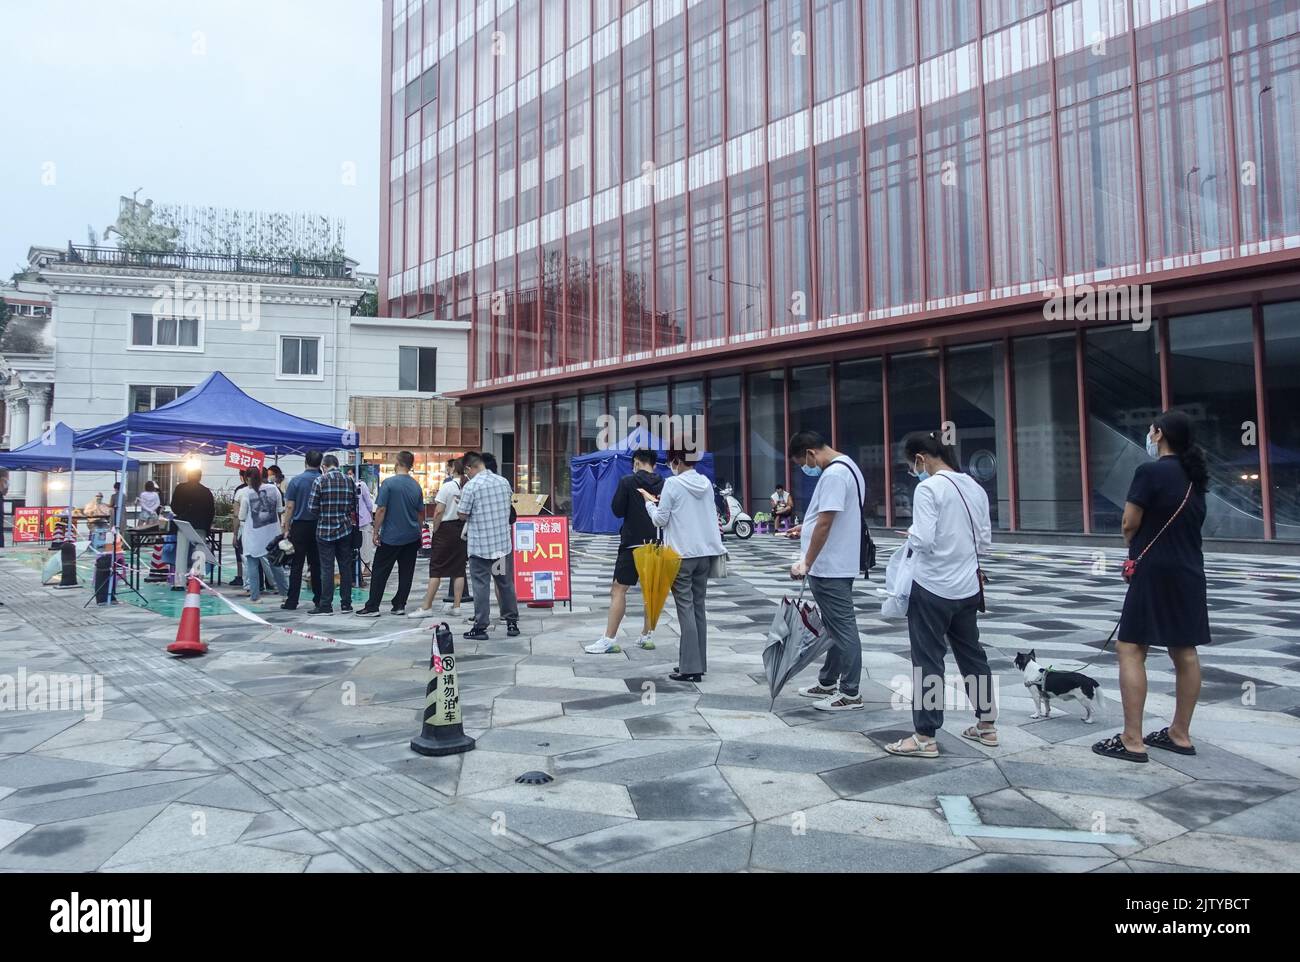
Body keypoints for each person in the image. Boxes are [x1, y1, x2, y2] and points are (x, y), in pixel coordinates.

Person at [1093, 410, 1211, 764]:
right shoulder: (1196, 477)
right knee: (1184, 651)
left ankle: (1132, 739)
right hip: (1190, 570)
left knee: (1130, 647)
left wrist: (1132, 548)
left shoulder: (1150, 472)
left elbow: (1130, 521)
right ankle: (1180, 733)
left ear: (1158, 434)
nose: (1148, 435)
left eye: (1150, 430)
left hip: (1154, 570)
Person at [883, 431, 996, 758]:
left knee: (928, 661)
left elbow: (925, 540)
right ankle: (987, 725)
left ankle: (924, 736)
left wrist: (913, 534)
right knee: (972, 655)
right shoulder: (974, 487)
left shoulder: (928, 488)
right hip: (968, 588)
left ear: (921, 458)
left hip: (932, 588)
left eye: (911, 464)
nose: (913, 470)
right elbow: (984, 541)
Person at [785, 431, 869, 711]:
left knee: (842, 627)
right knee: (833, 625)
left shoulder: (833, 475)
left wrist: (805, 561)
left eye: (802, 463)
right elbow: (828, 519)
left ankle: (850, 692)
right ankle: (828, 680)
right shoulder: (849, 466)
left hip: (831, 565)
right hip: (838, 561)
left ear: (810, 452)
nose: (805, 468)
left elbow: (826, 522)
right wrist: (803, 528)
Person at [640, 451, 725, 683]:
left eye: (670, 461)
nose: (670, 466)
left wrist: (649, 503)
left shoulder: (672, 484)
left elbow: (660, 519)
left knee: (685, 609)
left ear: (676, 461)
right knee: (698, 608)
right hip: (705, 554)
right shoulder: (705, 483)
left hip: (681, 555)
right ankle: (698, 662)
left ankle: (690, 668)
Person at [586, 449, 664, 654]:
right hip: (657, 543)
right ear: (654, 465)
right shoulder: (665, 483)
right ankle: (647, 636)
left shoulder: (628, 481)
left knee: (618, 590)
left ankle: (609, 639)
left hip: (631, 543)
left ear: (636, 463)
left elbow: (617, 509)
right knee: (651, 592)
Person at [457, 451, 520, 640]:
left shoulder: (471, 487)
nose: (466, 475)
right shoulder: (503, 482)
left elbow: (462, 515)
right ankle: (511, 622)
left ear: (470, 467)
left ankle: (481, 626)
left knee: (481, 586)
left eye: (466, 471)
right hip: (501, 547)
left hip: (480, 549)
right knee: (505, 583)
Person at [356, 451, 425, 617]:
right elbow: (420, 513)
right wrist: (420, 532)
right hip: (411, 535)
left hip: (392, 536)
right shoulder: (416, 486)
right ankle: (399, 604)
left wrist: (376, 531)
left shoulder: (389, 484)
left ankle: (373, 605)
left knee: (380, 570)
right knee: (406, 572)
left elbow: (381, 509)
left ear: (398, 462)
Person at [409, 458, 469, 618]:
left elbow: (438, 511)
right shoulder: (468, 485)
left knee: (436, 568)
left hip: (445, 529)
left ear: (452, 469)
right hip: (462, 529)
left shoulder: (448, 486)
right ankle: (457, 606)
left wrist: (434, 528)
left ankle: (427, 606)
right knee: (459, 568)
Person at [308, 454, 358, 614]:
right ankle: (346, 603)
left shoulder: (320, 481)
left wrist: (324, 513)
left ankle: (326, 605)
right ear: (337, 464)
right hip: (345, 529)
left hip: (324, 531)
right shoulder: (349, 480)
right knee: (345, 567)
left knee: (327, 568)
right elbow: (353, 505)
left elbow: (312, 508)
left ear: (324, 466)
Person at [281, 451, 324, 611]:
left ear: (305, 462)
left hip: (299, 526)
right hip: (318, 525)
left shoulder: (296, 481)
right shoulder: (322, 480)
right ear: (320, 463)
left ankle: (292, 601)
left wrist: (286, 527)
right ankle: (319, 599)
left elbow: (290, 506)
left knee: (296, 565)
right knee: (316, 564)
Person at [239, 468, 288, 603]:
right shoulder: (274, 489)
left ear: (248, 478)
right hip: (272, 534)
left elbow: (242, 516)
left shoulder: (246, 494)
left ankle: (255, 596)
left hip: (253, 535)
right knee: (276, 564)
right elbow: (280, 509)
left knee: (252, 565)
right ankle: (285, 593)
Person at [169, 469, 215, 588]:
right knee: (200, 553)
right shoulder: (206, 491)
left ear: (188, 476)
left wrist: (182, 513)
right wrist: (208, 526)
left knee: (181, 552)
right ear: (200, 477)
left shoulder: (180, 488)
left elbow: (174, 506)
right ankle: (197, 582)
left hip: (184, 523)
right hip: (201, 525)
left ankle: (179, 583)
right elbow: (211, 510)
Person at [349, 466, 378, 585]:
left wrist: (371, 517)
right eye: (348, 473)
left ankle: (367, 567)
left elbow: (368, 503)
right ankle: (358, 570)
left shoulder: (362, 485)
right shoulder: (347, 485)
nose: (350, 475)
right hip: (352, 521)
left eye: (351, 473)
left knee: (366, 544)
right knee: (356, 546)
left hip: (364, 519)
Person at [230, 468, 251, 588]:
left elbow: (237, 515)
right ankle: (269, 583)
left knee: (243, 554)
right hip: (261, 529)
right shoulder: (268, 489)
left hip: (244, 528)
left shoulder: (240, 491)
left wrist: (234, 534)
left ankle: (244, 579)